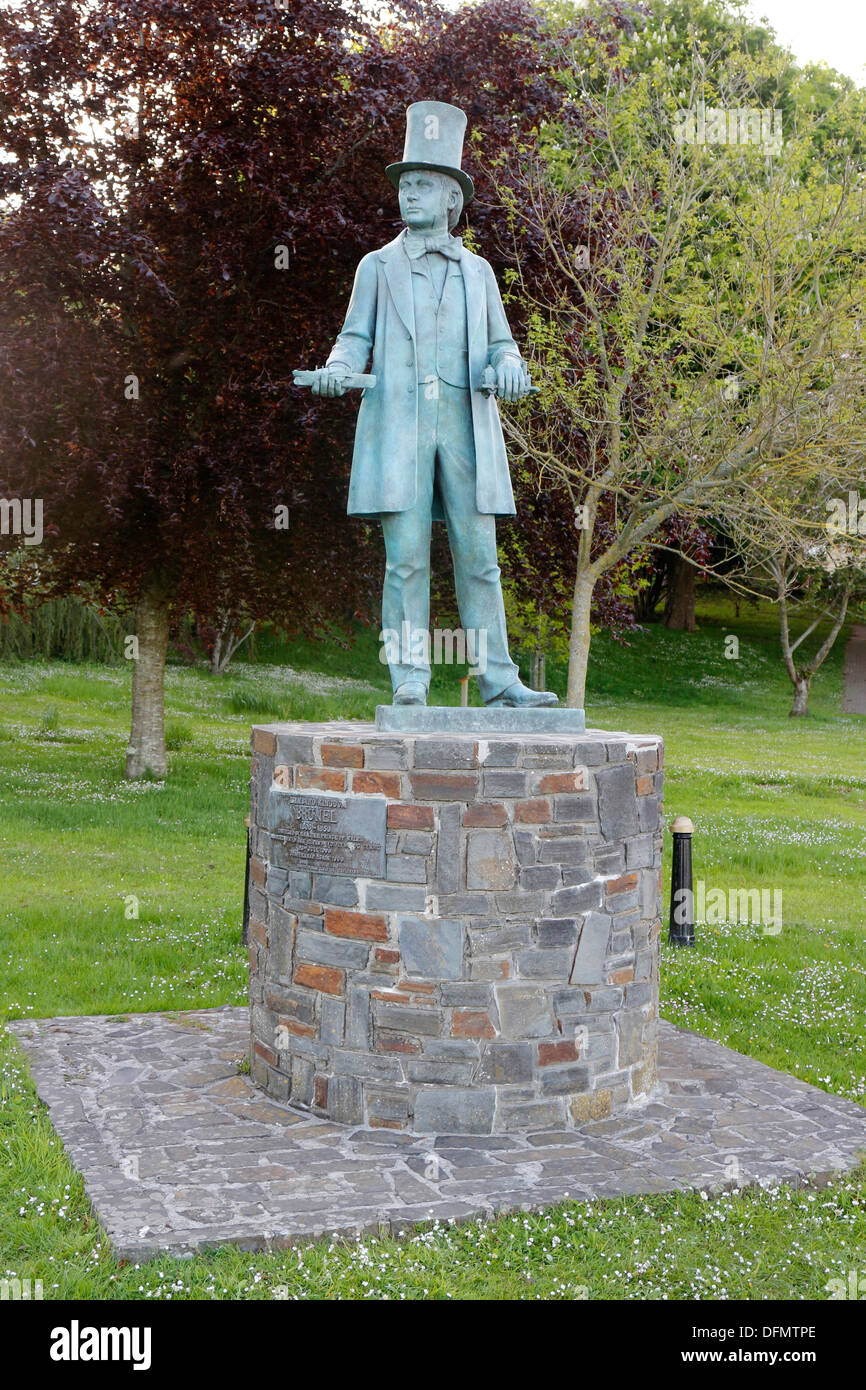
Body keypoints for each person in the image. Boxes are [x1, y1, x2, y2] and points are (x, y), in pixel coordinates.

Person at [310, 100, 557, 708]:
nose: (409, 195)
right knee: (405, 561)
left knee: (480, 560)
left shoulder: (479, 274)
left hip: (466, 427)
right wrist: (337, 371)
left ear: (452, 198)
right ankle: (410, 679)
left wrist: (509, 368)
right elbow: (353, 340)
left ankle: (499, 681)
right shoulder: (377, 267)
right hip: (400, 427)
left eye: (423, 185)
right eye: (406, 185)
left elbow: (506, 348)